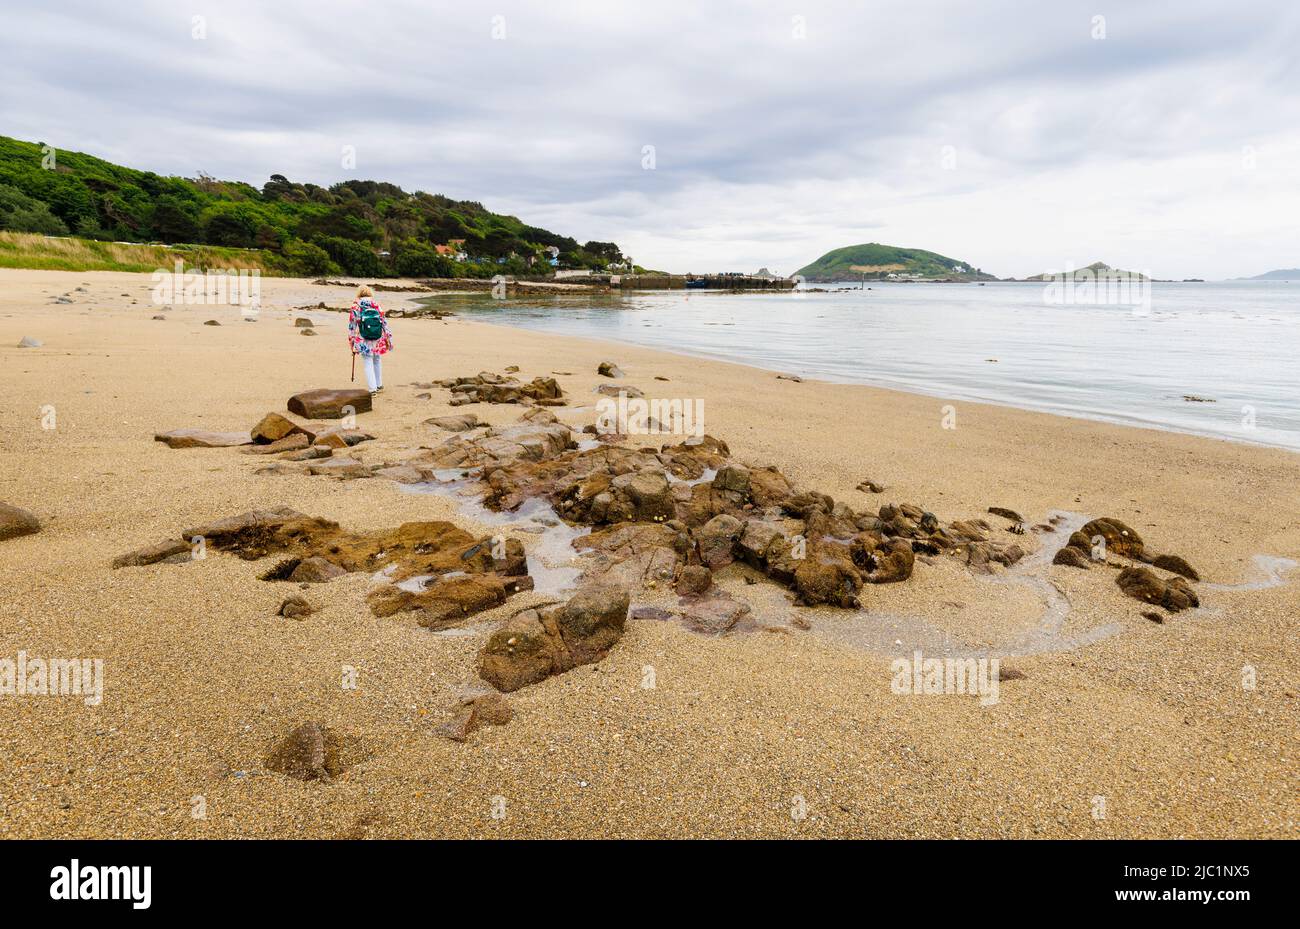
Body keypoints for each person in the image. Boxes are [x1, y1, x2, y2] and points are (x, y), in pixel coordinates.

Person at [347, 286, 392, 396]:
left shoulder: (355, 306)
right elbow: (384, 322)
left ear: (359, 294)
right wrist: (388, 338)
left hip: (363, 338)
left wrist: (352, 342)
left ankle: (372, 390)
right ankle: (379, 385)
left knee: (368, 362)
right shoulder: (377, 305)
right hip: (377, 337)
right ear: (370, 293)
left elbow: (352, 326)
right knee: (377, 359)